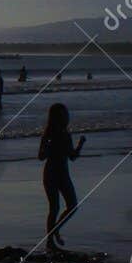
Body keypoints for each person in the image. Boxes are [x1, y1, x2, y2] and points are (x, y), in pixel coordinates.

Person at [38, 102, 85, 251]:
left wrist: (80, 144)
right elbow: (41, 156)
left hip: (63, 173)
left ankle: (55, 230)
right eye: (64, 115)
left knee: (72, 205)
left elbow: (72, 156)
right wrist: (48, 146)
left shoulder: (65, 134)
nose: (66, 117)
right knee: (55, 207)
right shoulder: (48, 135)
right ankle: (50, 241)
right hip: (51, 173)